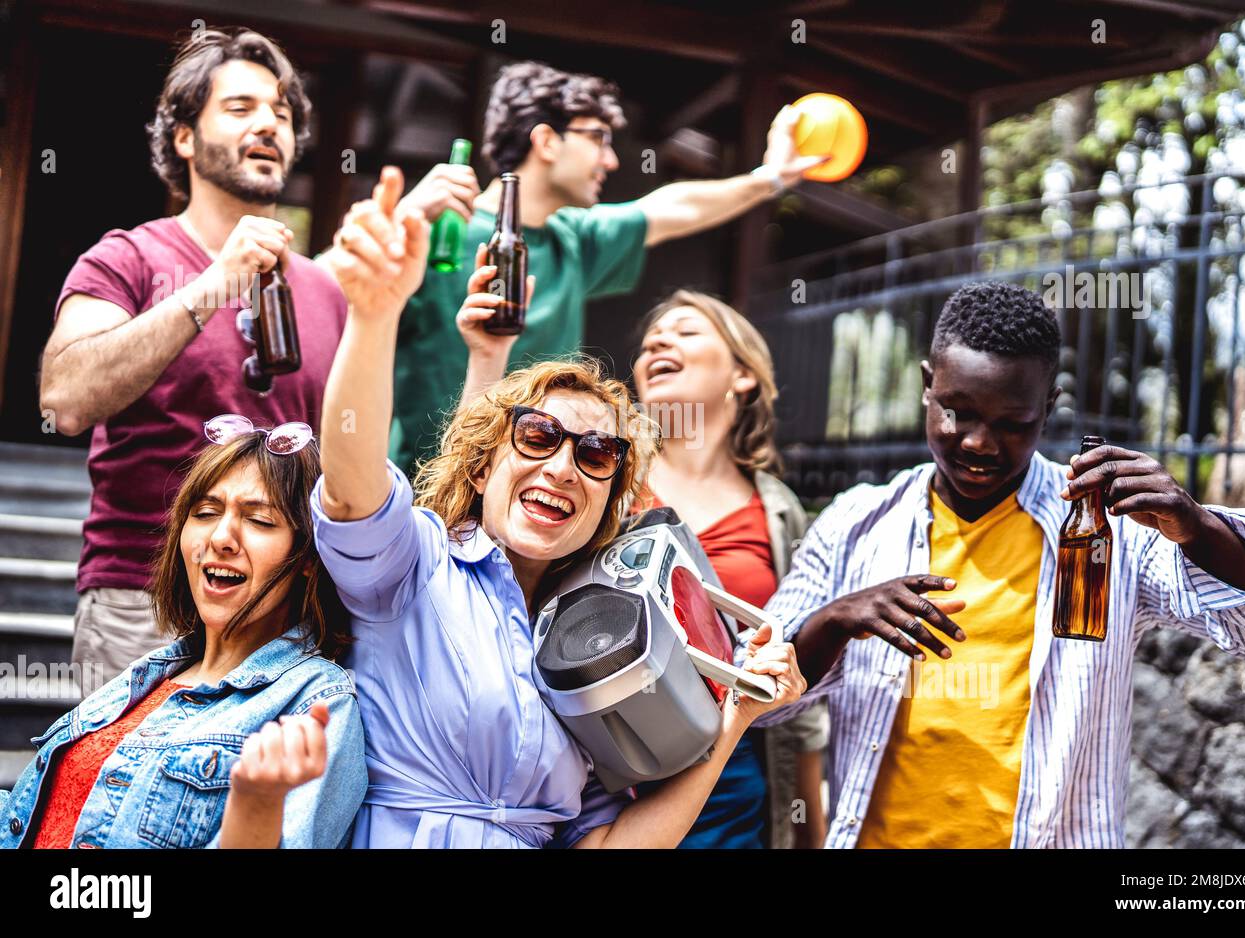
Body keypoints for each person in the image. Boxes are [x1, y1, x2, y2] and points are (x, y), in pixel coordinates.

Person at [313, 167, 805, 848]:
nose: (561, 466)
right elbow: (349, 479)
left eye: (596, 453)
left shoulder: (591, 640)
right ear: (486, 465)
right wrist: (375, 316)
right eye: (538, 437)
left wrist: (736, 723)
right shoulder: (417, 565)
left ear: (609, 503)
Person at [752, 280, 1245, 849]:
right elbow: (755, 697)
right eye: (957, 412)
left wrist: (1198, 527)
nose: (979, 443)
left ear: (1048, 408)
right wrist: (837, 619)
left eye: (1012, 423)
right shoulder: (855, 524)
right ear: (926, 386)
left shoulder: (1106, 532)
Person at [456, 282, 829, 848]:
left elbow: (790, 676)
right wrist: (486, 358)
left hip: (739, 778)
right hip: (618, 776)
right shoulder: (595, 487)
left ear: (743, 375)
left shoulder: (779, 509)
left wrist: (809, 836)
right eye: (651, 340)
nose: (658, 343)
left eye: (684, 332)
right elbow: (483, 482)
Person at [38, 28, 348, 694]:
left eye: (282, 113)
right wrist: (210, 287)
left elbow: (341, 458)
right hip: (144, 602)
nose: (269, 123)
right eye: (240, 108)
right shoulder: (127, 258)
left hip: (284, 616)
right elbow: (64, 398)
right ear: (184, 137)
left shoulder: (325, 290)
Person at [354, 60, 826, 475]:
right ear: (546, 141)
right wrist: (401, 220)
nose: (612, 158)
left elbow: (673, 207)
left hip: (539, 496)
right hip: (428, 499)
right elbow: (331, 295)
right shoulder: (434, 231)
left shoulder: (574, 237)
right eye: (598, 138)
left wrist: (771, 179)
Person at [0, 421, 367, 848]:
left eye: (259, 520)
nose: (220, 537)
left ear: (307, 557)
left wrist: (254, 807)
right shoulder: (148, 676)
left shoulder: (318, 704)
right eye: (206, 513)